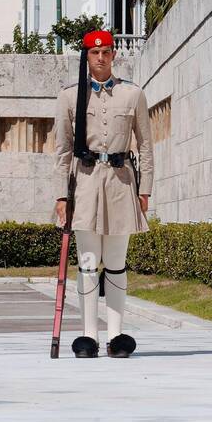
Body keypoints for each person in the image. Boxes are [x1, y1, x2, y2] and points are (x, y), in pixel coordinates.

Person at [52, 29, 153, 358]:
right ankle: (88, 336)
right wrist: (61, 196)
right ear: (86, 56)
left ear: (113, 55)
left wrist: (146, 189)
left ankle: (117, 335)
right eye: (95, 53)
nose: (100, 58)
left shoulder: (133, 94)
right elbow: (63, 151)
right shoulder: (70, 97)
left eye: (106, 52)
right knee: (87, 261)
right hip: (86, 183)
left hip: (122, 184)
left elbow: (147, 147)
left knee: (116, 262)